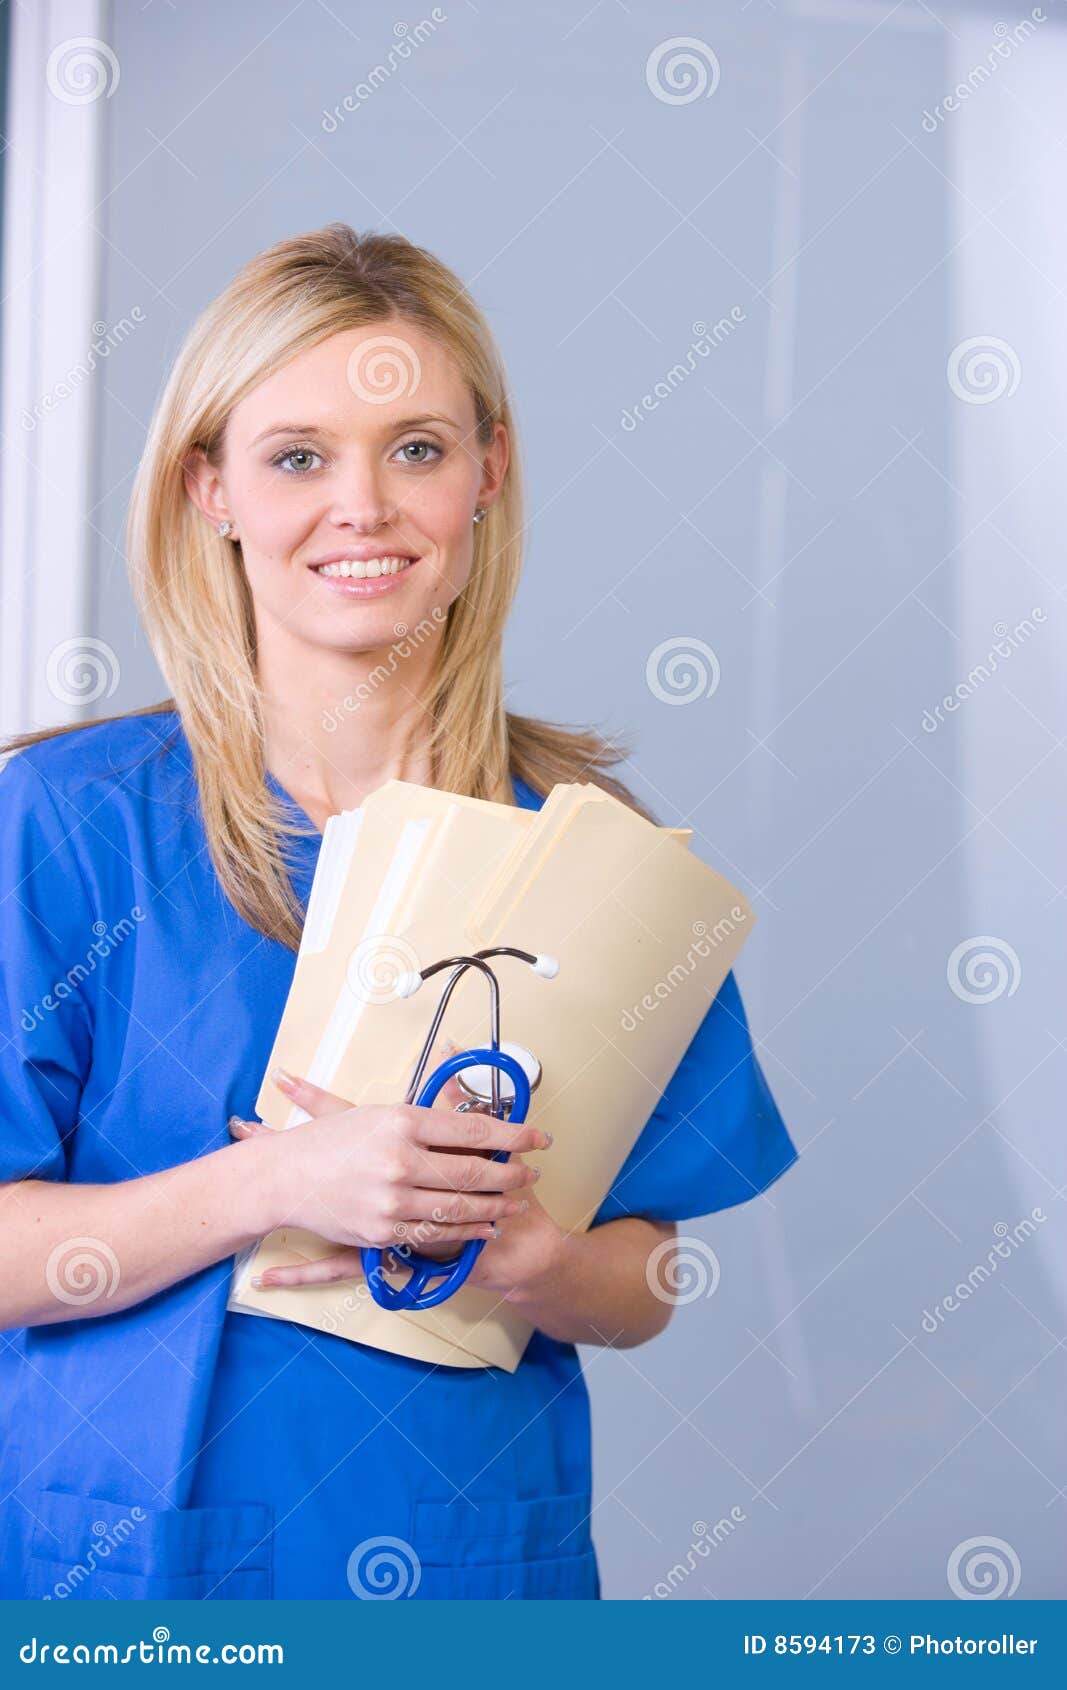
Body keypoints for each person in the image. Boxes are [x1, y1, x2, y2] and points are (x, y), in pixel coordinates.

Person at [0, 224, 797, 1601]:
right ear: (213, 491)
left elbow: (651, 1277)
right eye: (298, 455)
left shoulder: (582, 843)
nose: (361, 506)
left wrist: (539, 1259)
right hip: (129, 1561)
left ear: (488, 473)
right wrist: (275, 1184)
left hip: (466, 1555)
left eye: (417, 448)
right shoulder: (66, 822)